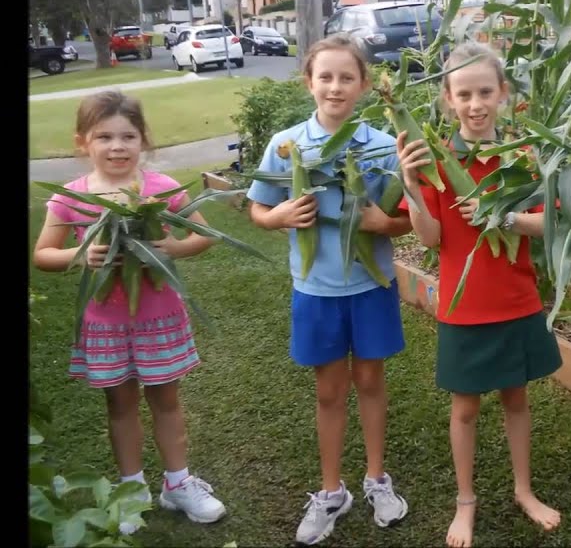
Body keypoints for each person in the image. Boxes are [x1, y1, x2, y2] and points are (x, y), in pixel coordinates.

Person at [32, 90, 228, 531]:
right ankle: (131, 490)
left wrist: (173, 246)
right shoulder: (73, 196)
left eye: (127, 136)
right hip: (106, 323)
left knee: (166, 402)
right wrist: (81, 254)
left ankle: (178, 484)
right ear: (83, 142)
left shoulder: (160, 189)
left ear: (144, 140)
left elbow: (206, 236)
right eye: (104, 137)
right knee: (119, 406)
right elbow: (43, 254)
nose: (117, 147)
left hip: (158, 319)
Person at [246, 35, 414, 546]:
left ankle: (376, 479)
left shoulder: (384, 146)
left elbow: (406, 221)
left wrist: (382, 223)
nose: (335, 87)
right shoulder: (286, 144)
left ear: (363, 85)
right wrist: (275, 216)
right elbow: (258, 207)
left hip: (371, 285)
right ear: (309, 82)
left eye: (346, 77)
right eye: (325, 77)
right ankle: (330, 490)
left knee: (369, 381)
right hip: (316, 289)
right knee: (328, 390)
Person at [396, 42, 563, 548]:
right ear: (447, 98)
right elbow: (430, 239)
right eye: (464, 94)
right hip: (464, 306)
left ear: (503, 94)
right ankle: (465, 500)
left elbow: (551, 223)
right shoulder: (436, 166)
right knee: (465, 408)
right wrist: (408, 181)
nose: (475, 104)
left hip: (516, 300)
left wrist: (505, 216)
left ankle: (523, 490)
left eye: (485, 92)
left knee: (517, 399)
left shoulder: (521, 160)